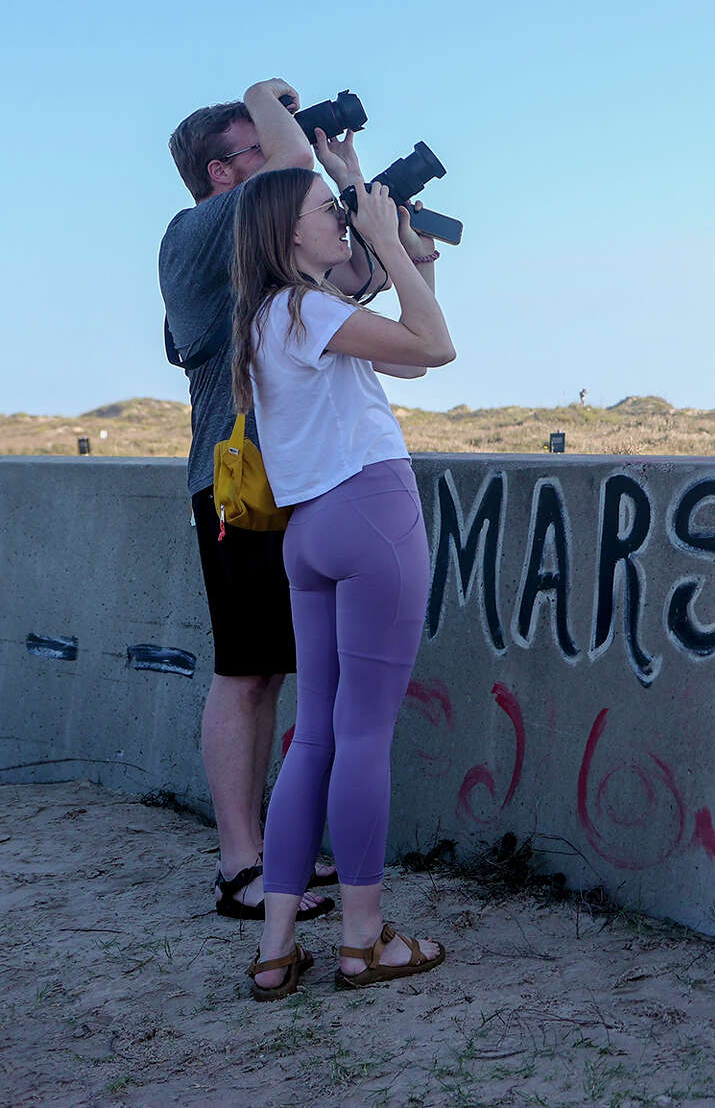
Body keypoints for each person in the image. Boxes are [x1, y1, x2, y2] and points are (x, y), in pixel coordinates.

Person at [159, 79, 392, 922]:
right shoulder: (192, 233)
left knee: (283, 673)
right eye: (260, 141)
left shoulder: (258, 252)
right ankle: (238, 863)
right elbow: (290, 166)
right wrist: (268, 95)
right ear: (224, 173)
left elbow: (355, 284)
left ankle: (272, 851)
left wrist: (363, 192)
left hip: (295, 476)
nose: (283, 154)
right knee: (245, 671)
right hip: (235, 486)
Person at [229, 167, 453, 999]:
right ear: (289, 233)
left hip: (309, 533)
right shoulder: (310, 308)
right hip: (370, 514)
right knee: (362, 737)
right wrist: (390, 243)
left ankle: (277, 945)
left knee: (315, 736)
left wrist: (409, 256)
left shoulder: (267, 318)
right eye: (330, 211)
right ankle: (363, 940)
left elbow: (407, 363)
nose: (344, 219)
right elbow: (436, 347)